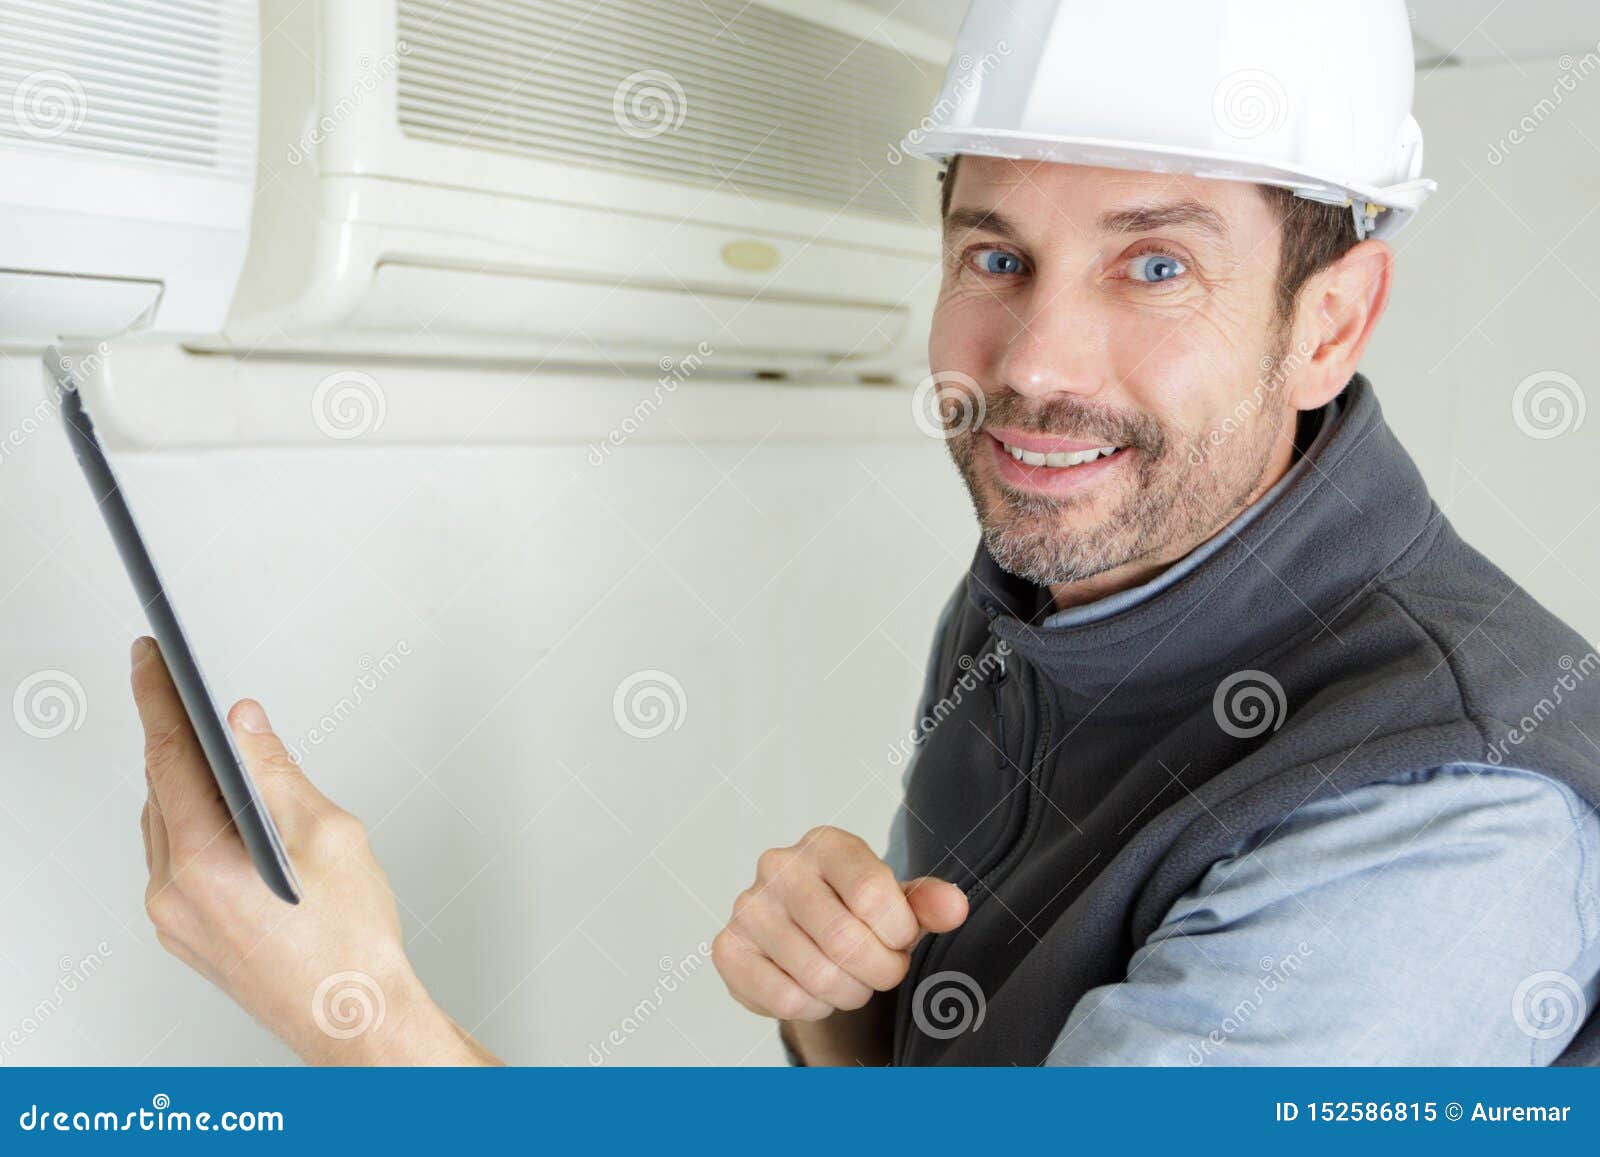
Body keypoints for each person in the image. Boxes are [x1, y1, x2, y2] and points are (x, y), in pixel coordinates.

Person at [131, 0, 1600, 1066]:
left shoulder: (1444, 822)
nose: (1035, 364)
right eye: (996, 255)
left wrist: (361, 1017)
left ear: (1329, 323)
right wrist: (855, 1016)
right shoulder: (1050, 580)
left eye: (1155, 265)